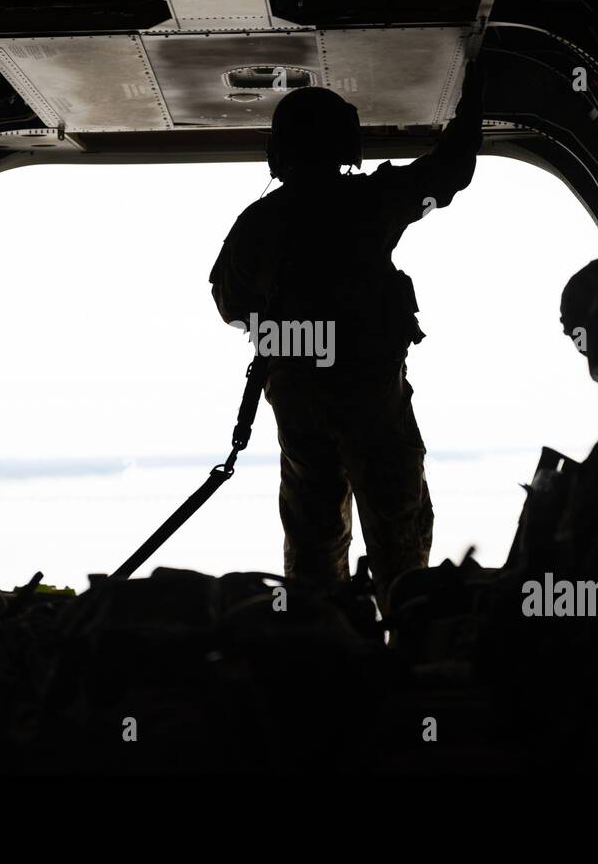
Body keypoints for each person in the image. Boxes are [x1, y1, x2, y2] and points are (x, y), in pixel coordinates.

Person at [208, 60, 486, 609]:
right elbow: (450, 170)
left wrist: (294, 337)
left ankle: (321, 646)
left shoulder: (258, 222)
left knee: (313, 536)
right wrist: (474, 97)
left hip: (298, 398)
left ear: (280, 151)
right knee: (398, 527)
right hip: (370, 392)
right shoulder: (369, 201)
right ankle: (407, 639)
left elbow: (229, 305)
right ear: (346, 144)